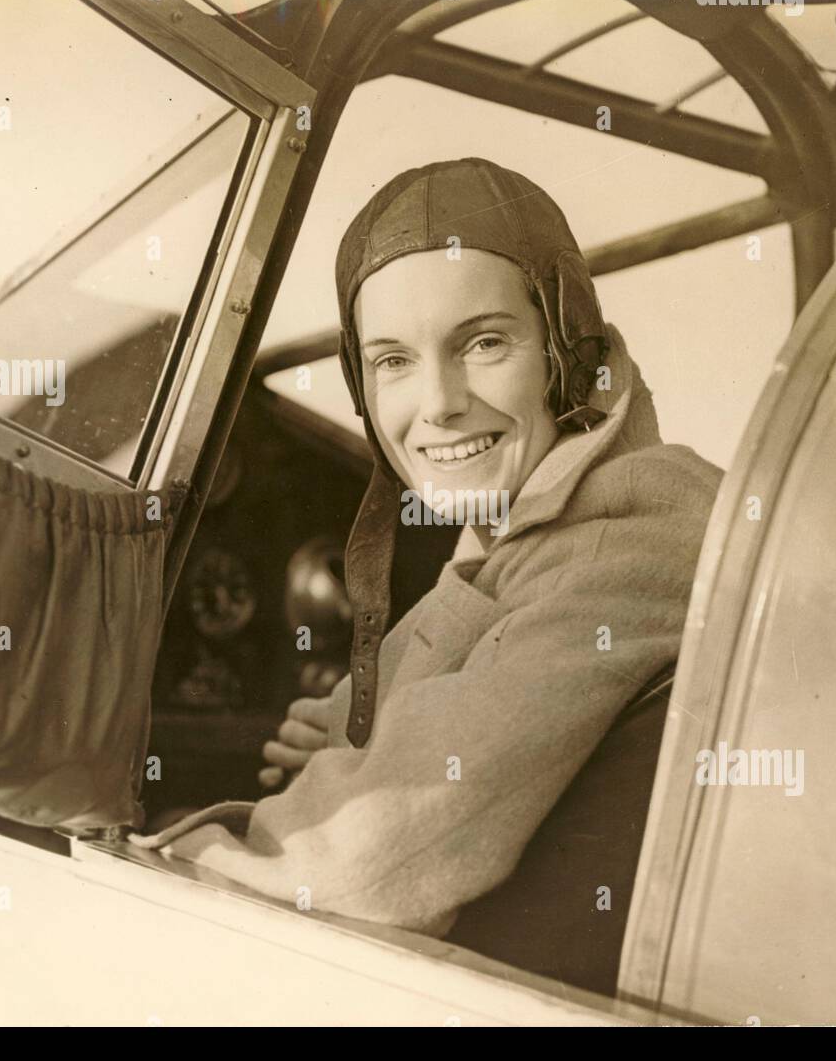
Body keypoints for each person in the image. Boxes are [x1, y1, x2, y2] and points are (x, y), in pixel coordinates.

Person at [133, 157, 721, 945]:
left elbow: (364, 864)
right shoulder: (526, 527)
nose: (439, 404)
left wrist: (172, 840)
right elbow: (403, 713)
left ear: (570, 349)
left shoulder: (638, 530)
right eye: (393, 361)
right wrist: (361, 738)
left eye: (482, 342)